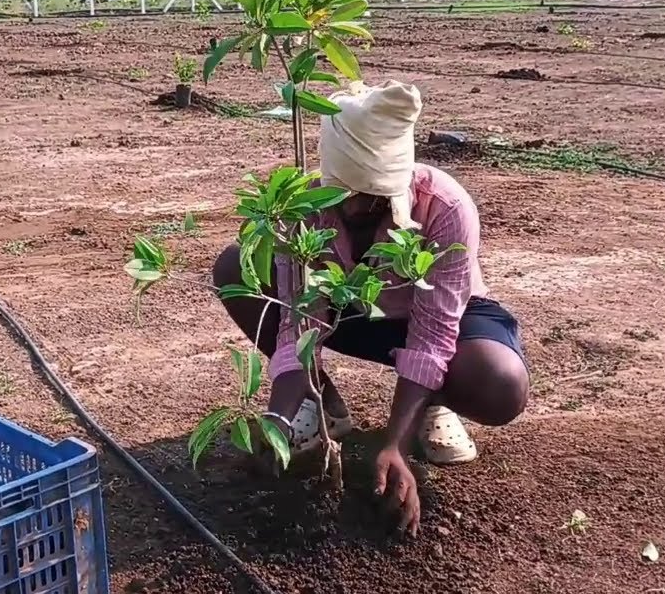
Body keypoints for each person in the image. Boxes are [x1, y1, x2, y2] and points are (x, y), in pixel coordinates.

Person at [212, 80, 529, 537]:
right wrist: (277, 421)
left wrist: (393, 446)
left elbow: (435, 333)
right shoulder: (300, 207)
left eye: (374, 196)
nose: (360, 205)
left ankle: (429, 407)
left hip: (439, 318)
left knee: (499, 381)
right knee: (235, 269)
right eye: (346, 194)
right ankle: (322, 407)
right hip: (352, 311)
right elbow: (297, 321)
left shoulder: (445, 206)